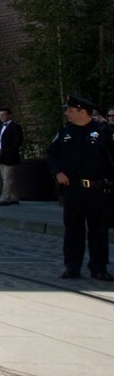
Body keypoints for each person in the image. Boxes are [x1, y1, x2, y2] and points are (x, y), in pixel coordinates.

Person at [46, 94, 114, 281]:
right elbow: (51, 154)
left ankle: (99, 267)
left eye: (70, 110)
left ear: (82, 112)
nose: (66, 113)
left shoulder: (103, 131)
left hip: (98, 189)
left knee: (99, 230)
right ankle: (72, 266)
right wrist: (57, 172)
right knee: (73, 229)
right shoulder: (66, 132)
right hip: (73, 189)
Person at [0, 107, 26, 206]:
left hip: (10, 155)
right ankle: (13, 197)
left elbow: (18, 141)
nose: (1, 117)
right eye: (0, 115)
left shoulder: (15, 127)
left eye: (3, 114)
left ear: (9, 115)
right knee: (7, 177)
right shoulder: (1, 127)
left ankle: (5, 198)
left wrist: (10, 151)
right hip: (1, 154)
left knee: (7, 177)